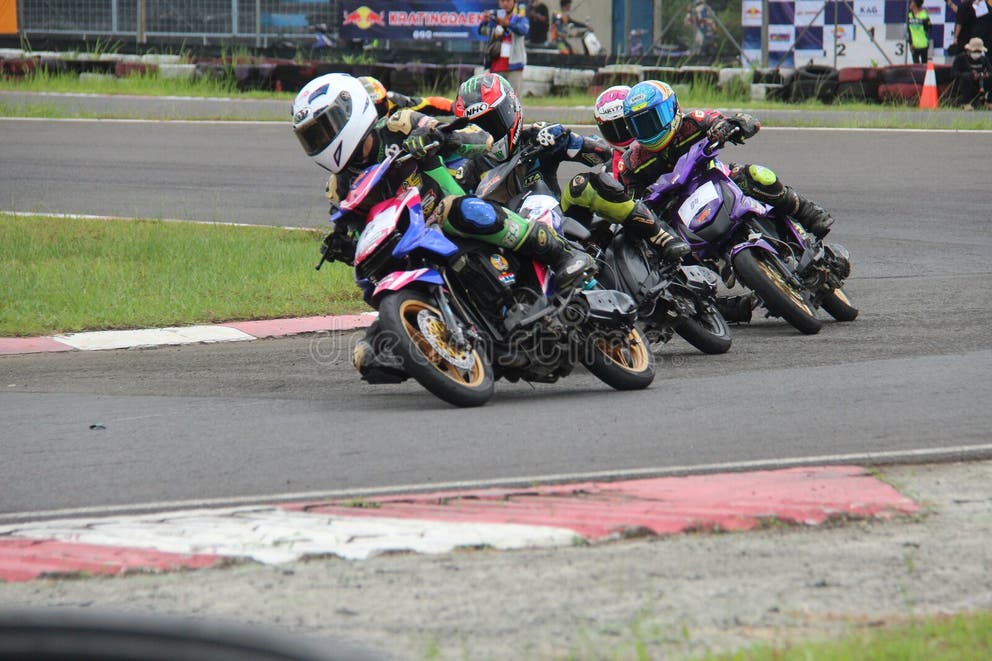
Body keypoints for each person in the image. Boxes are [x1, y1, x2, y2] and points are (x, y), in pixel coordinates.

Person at [451, 73, 690, 265]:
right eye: (479, 126)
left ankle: (659, 235)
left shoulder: (536, 136)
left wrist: (562, 136)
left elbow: (601, 153)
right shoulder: (470, 168)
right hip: (510, 238)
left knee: (581, 185)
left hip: (559, 218)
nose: (489, 132)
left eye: (493, 121)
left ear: (512, 108)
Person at [617, 80, 834, 240]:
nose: (650, 129)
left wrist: (733, 126)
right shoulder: (632, 163)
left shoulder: (695, 122)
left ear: (672, 108)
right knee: (663, 244)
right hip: (677, 211)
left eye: (655, 119)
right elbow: (630, 205)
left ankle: (807, 211)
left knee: (755, 175)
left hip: (715, 177)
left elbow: (746, 121)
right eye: (641, 125)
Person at [478, 0, 529, 94]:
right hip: (496, 65)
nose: (505, 4)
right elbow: (482, 31)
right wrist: (484, 21)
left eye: (508, 1)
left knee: (514, 98)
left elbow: (524, 30)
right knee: (495, 99)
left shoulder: (520, 19)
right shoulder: (494, 20)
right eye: (502, 1)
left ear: (514, 2)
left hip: (514, 66)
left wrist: (508, 24)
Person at [357, 75, 453, 118]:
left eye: (379, 105)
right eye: (373, 107)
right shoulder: (345, 116)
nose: (377, 110)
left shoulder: (395, 102)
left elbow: (429, 102)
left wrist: (459, 108)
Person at [953, 37, 992, 109]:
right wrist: (970, 75)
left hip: (980, 83)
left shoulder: (984, 59)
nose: (977, 54)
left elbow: (990, 70)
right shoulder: (961, 58)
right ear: (969, 50)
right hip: (965, 84)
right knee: (966, 77)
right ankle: (966, 103)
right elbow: (954, 73)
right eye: (975, 51)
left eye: (979, 52)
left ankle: (989, 101)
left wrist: (987, 74)